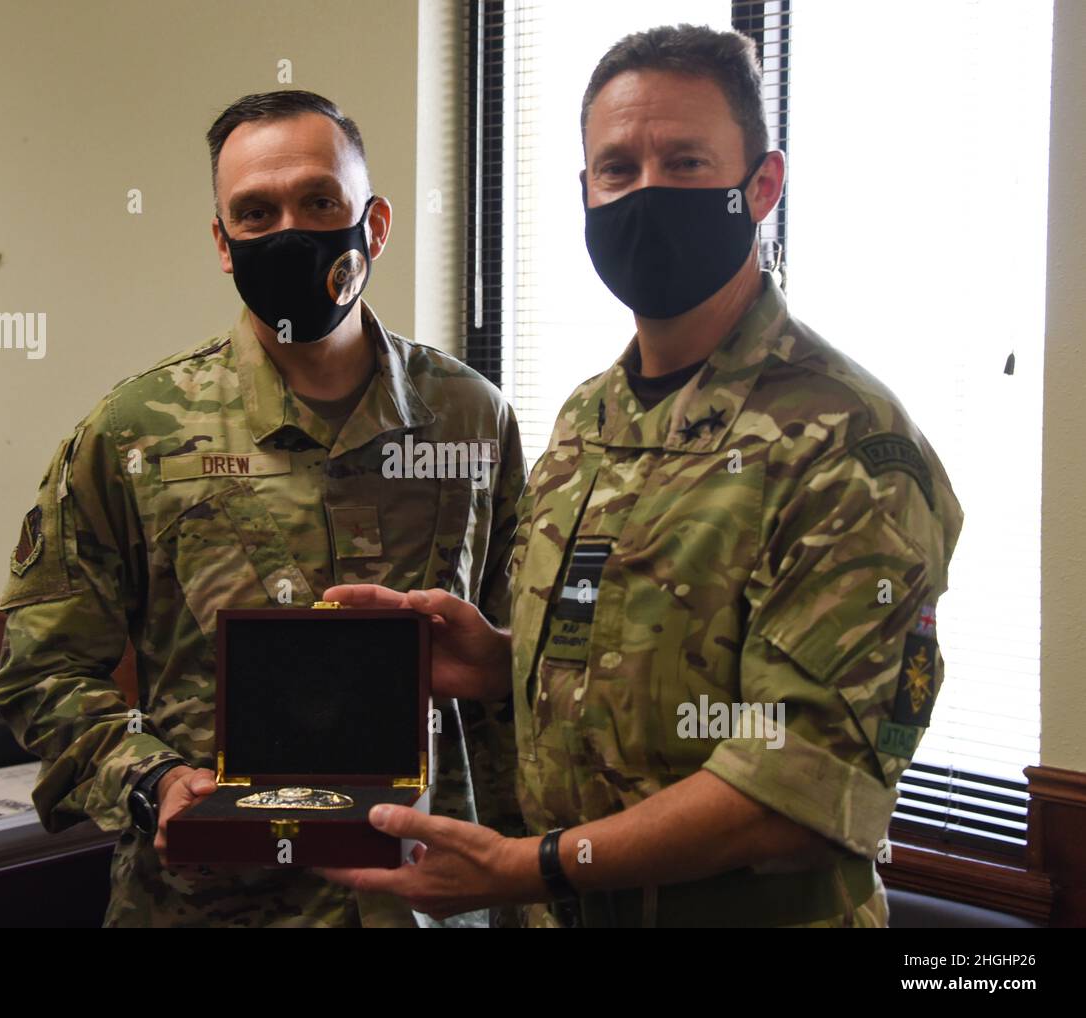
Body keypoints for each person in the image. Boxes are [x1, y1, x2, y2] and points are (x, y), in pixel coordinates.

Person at [319, 25, 963, 928]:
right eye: (617, 169)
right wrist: (504, 663)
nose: (646, 191)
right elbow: (645, 677)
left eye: (688, 162)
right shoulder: (589, 420)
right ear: (586, 193)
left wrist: (535, 866)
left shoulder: (846, 444)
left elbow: (799, 788)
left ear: (762, 187)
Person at [0, 90, 524, 927]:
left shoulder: (470, 417)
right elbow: (41, 667)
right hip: (212, 907)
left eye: (319, 202)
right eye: (255, 212)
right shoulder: (137, 433)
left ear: (374, 224)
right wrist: (152, 780)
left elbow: (526, 664)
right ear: (222, 242)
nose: (290, 233)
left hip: (429, 901)